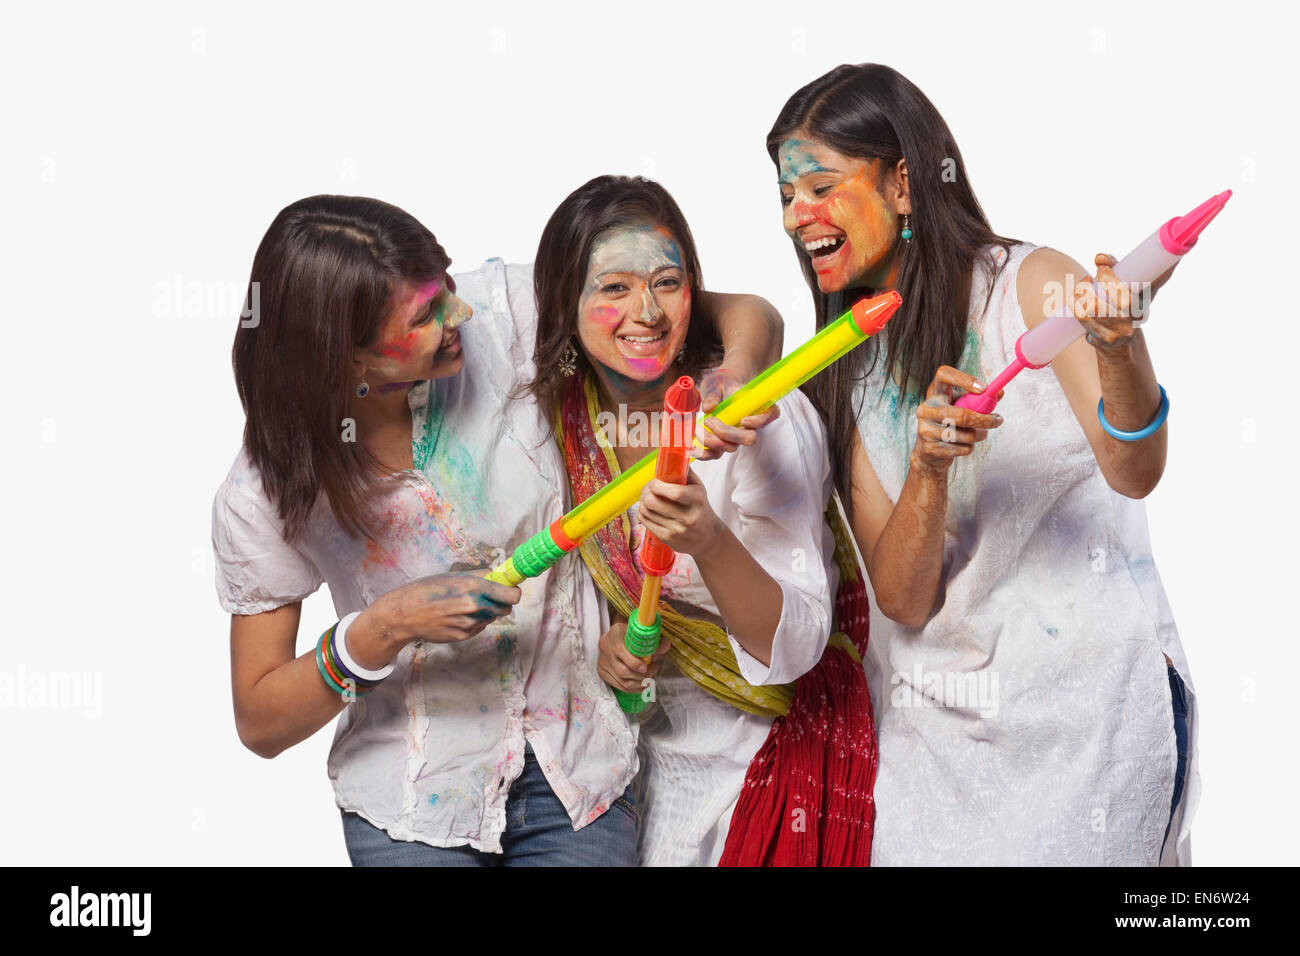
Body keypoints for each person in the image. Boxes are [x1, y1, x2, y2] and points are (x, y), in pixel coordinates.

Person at [211, 194, 781, 865]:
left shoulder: (511, 313)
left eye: (445, 286)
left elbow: (746, 313)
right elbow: (260, 719)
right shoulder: (265, 490)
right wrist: (383, 629)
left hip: (582, 773)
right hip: (416, 804)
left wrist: (734, 377)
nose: (461, 314)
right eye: (427, 315)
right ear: (346, 356)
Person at [768, 63, 1197, 866]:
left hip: (1090, 715)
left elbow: (1134, 468)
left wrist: (1117, 346)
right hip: (939, 743)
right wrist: (928, 470)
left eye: (819, 185)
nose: (798, 214)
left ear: (903, 184)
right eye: (786, 194)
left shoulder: (1034, 286)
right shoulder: (843, 367)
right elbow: (902, 596)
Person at [522, 175, 878, 866]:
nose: (647, 312)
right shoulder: (566, 415)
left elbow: (799, 645)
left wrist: (709, 541)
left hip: (766, 746)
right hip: (631, 765)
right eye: (614, 288)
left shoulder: (757, 419)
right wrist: (613, 649)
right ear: (564, 302)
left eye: (667, 282)